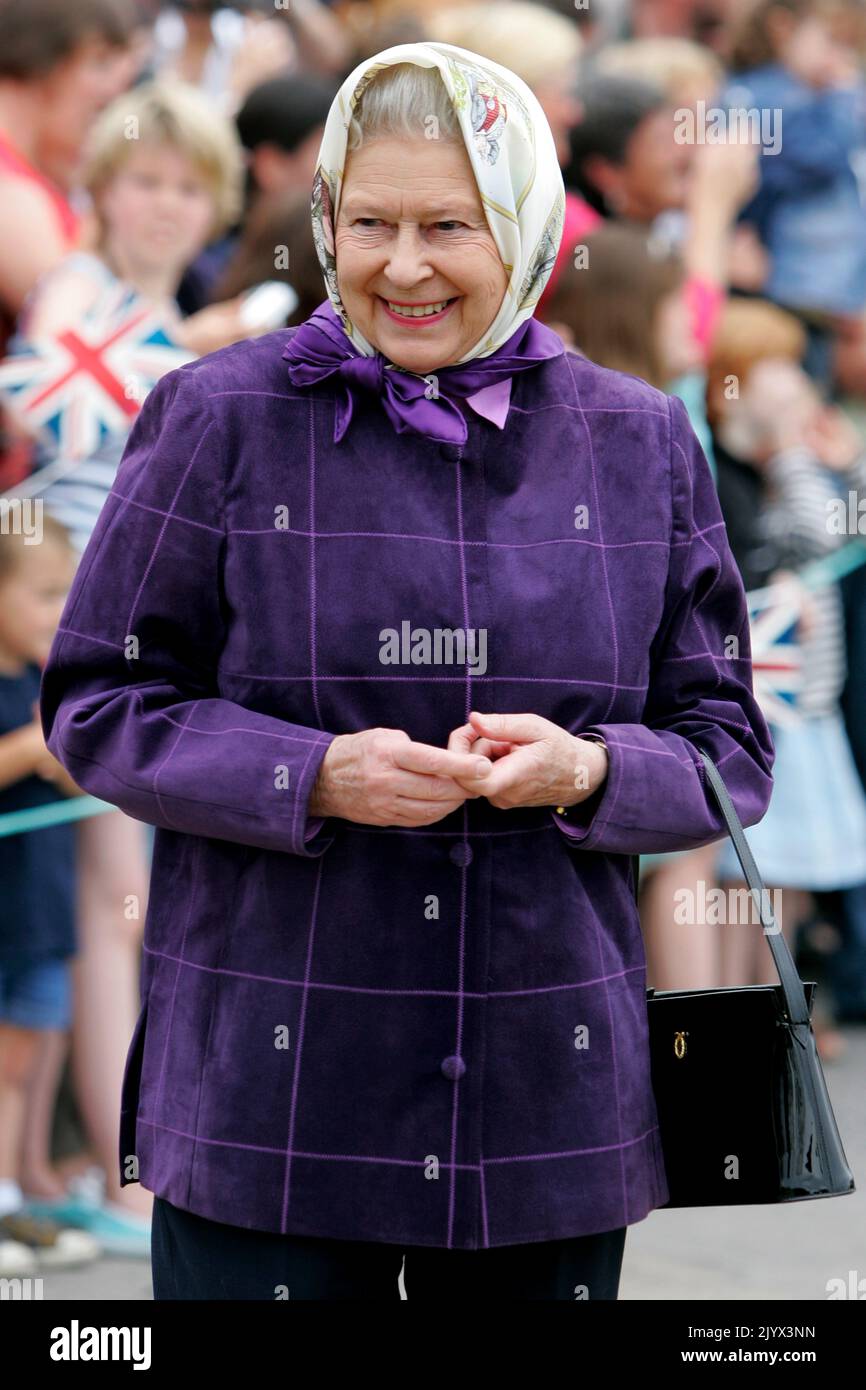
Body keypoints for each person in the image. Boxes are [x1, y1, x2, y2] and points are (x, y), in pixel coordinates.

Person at [40, 41, 774, 1301]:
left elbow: (725, 745)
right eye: (367, 221)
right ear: (322, 219)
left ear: (529, 225)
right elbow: (100, 702)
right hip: (274, 1094)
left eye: (449, 222)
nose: (403, 264)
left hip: (537, 1099)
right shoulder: (221, 415)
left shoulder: (638, 440)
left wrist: (590, 769)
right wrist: (308, 773)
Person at [0, 515, 100, 1275]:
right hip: (10, 911)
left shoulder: (46, 682)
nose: (61, 610)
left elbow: (77, 769)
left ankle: (9, 1203)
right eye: (43, 593)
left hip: (39, 911)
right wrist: (30, 750)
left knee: (22, 1064)